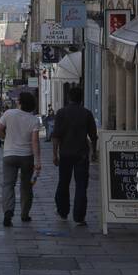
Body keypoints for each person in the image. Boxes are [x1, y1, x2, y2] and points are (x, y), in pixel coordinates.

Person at [52, 85, 98, 225]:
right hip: (81, 154)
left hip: (65, 153)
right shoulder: (87, 113)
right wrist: (94, 152)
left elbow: (56, 136)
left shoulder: (61, 113)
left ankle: (62, 212)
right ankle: (79, 217)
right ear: (81, 99)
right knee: (81, 185)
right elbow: (93, 136)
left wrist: (55, 154)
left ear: (69, 98)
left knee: (63, 183)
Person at [0, 92, 41, 227]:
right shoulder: (34, 120)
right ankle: (25, 214)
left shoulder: (9, 113)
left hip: (9, 155)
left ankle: (8, 212)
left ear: (20, 102)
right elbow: (35, 142)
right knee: (26, 186)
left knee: (8, 184)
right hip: (27, 156)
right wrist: (38, 161)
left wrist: (7, 139)